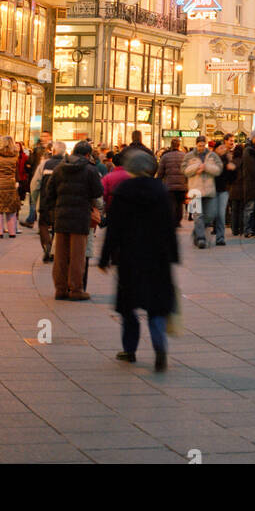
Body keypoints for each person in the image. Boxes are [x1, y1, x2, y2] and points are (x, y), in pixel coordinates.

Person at [99, 148, 177, 371]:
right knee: (156, 308)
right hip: (158, 258)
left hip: (130, 257)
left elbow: (114, 228)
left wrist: (105, 258)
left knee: (128, 308)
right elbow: (169, 227)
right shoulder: (161, 191)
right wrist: (173, 255)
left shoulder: (123, 191)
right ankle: (159, 348)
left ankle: (129, 350)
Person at [44, 141, 104, 300]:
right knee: (77, 255)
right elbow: (98, 191)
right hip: (80, 217)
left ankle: (60, 289)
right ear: (87, 155)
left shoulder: (59, 168)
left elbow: (49, 192)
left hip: (62, 216)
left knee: (60, 256)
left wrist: (53, 211)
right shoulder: (90, 170)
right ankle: (76, 289)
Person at [182, 136, 222, 248]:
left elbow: (218, 170)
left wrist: (206, 167)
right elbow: (184, 171)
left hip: (209, 190)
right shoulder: (189, 156)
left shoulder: (212, 155)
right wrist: (197, 167)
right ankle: (201, 238)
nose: (201, 148)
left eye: (203, 145)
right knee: (197, 215)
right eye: (199, 145)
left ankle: (197, 231)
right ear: (196, 145)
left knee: (210, 215)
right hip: (194, 190)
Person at [0, 135, 21, 239]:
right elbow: (17, 171)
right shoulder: (15, 155)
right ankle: (12, 233)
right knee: (11, 209)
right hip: (10, 183)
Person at [155, 138, 188, 228]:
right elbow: (187, 172)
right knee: (179, 204)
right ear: (179, 145)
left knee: (171, 203)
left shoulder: (165, 157)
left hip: (169, 185)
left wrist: (158, 181)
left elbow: (160, 171)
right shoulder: (184, 156)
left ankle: (172, 221)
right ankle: (178, 221)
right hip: (182, 185)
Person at [212, 138, 234, 246]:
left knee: (221, 214)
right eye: (221, 148)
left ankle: (220, 237)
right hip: (210, 190)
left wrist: (232, 170)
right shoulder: (211, 159)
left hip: (223, 190)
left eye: (224, 148)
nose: (223, 150)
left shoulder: (227, 160)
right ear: (215, 149)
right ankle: (200, 234)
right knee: (209, 214)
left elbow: (231, 179)